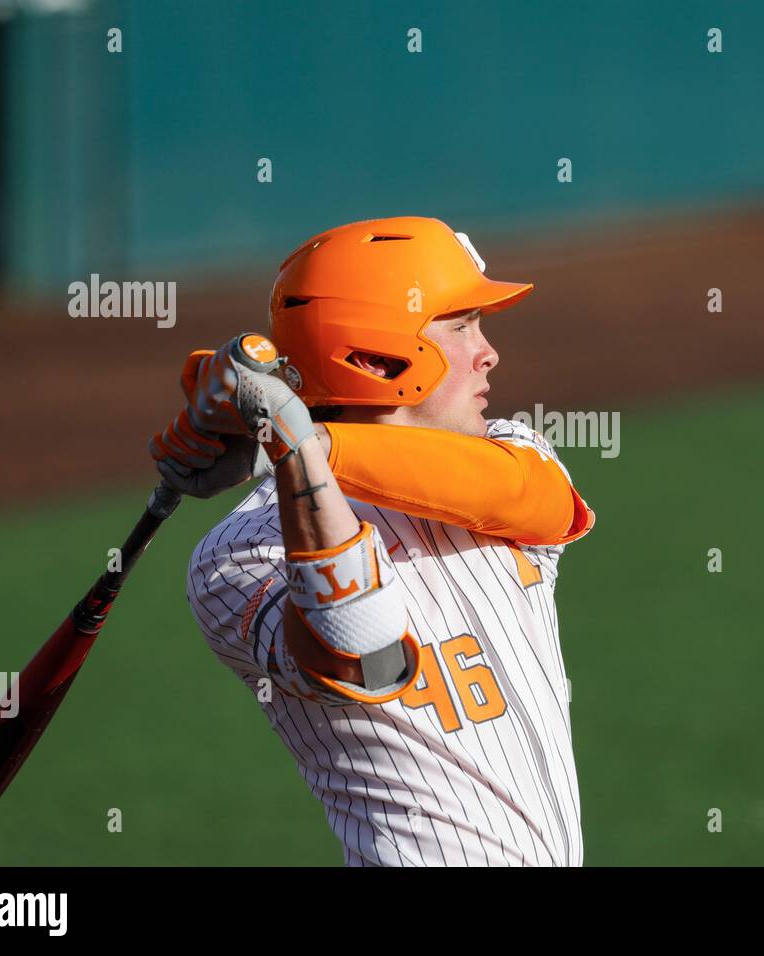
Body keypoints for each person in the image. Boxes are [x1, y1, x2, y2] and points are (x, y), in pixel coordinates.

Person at [148, 216, 595, 866]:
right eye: (462, 325)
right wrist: (294, 446)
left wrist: (301, 436)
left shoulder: (509, 455)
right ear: (379, 357)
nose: (488, 352)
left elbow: (544, 504)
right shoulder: (237, 557)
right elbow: (364, 650)